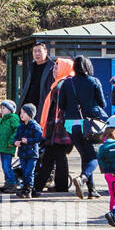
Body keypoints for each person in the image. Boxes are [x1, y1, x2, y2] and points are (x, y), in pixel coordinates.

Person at [60, 55, 106, 199]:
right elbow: (102, 104)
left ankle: (91, 190)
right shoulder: (94, 82)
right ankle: (83, 178)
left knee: (85, 156)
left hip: (71, 125)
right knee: (94, 156)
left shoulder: (67, 83)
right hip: (89, 124)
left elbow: (61, 105)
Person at [34, 57, 74, 194]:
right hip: (56, 128)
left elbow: (58, 109)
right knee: (51, 158)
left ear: (65, 68)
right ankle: (39, 186)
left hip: (59, 128)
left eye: (57, 67)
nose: (54, 70)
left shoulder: (62, 85)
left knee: (54, 157)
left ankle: (41, 187)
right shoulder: (60, 83)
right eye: (54, 67)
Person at [13, 103, 43, 199]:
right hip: (22, 153)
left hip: (31, 153)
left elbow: (39, 138)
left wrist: (29, 141)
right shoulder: (20, 126)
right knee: (25, 171)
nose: (21, 115)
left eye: (24, 113)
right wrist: (16, 142)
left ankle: (27, 190)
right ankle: (29, 189)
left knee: (29, 172)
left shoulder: (35, 126)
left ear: (30, 114)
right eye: (21, 112)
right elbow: (16, 137)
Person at [16, 42, 55, 114]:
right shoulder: (31, 66)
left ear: (46, 52)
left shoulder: (52, 68)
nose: (37, 54)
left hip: (44, 106)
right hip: (29, 106)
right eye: (35, 51)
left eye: (39, 51)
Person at [0, 100, 20, 193]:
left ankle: (13, 183)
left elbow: (17, 130)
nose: (1, 110)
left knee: (7, 166)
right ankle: (8, 183)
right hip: (2, 147)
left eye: (4, 108)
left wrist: (12, 141)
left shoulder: (13, 119)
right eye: (1, 108)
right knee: (4, 166)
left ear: (10, 110)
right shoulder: (3, 120)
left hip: (8, 147)